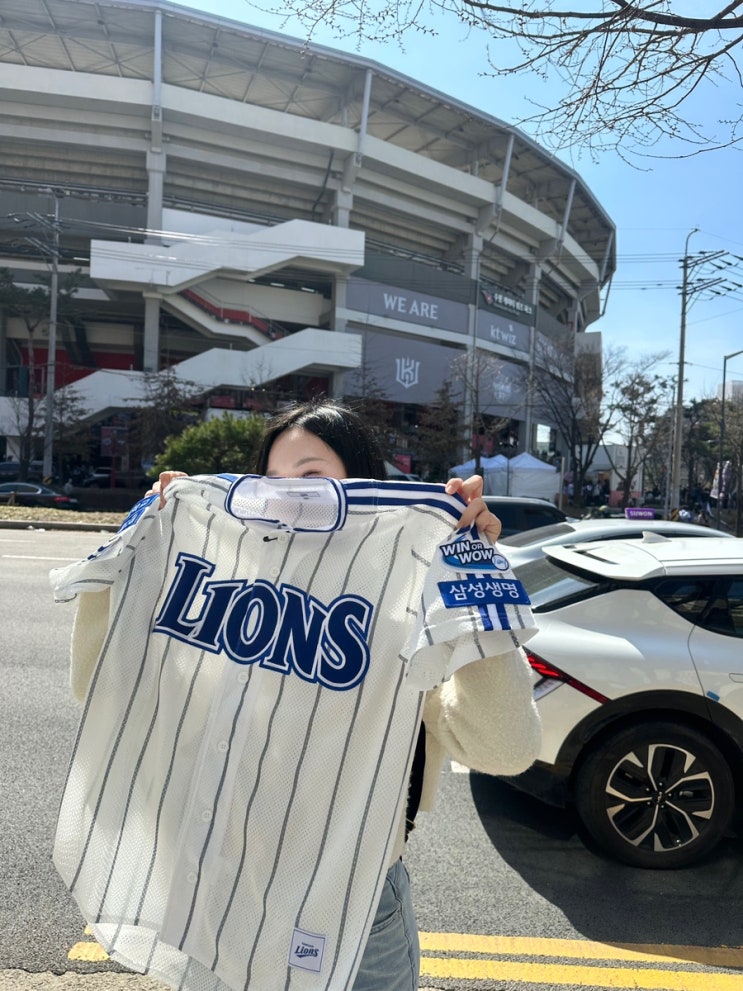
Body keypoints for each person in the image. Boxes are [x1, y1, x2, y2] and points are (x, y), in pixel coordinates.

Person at [54, 399, 540, 991]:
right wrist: (144, 549)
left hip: (346, 910)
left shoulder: (407, 591)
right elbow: (103, 691)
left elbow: (506, 748)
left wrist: (472, 576)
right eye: (275, 481)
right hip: (219, 888)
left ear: (362, 486)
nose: (291, 496)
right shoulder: (224, 582)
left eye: (313, 477)